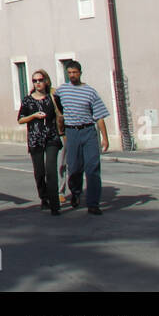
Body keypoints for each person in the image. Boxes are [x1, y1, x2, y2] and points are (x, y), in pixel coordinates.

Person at [54, 60, 110, 214]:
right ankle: (76, 193)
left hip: (88, 131)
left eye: (75, 72)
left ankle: (93, 203)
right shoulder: (62, 90)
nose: (72, 75)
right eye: (69, 73)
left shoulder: (90, 92)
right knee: (74, 167)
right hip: (72, 132)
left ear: (80, 73)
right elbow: (57, 103)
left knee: (92, 167)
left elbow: (99, 116)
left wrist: (105, 138)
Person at [17, 70, 63, 215]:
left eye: (40, 80)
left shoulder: (52, 97)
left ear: (46, 81)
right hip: (35, 139)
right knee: (39, 172)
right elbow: (20, 119)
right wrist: (33, 116)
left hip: (51, 137)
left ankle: (55, 204)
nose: (37, 83)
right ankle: (44, 197)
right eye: (35, 81)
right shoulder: (27, 100)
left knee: (51, 170)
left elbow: (61, 114)